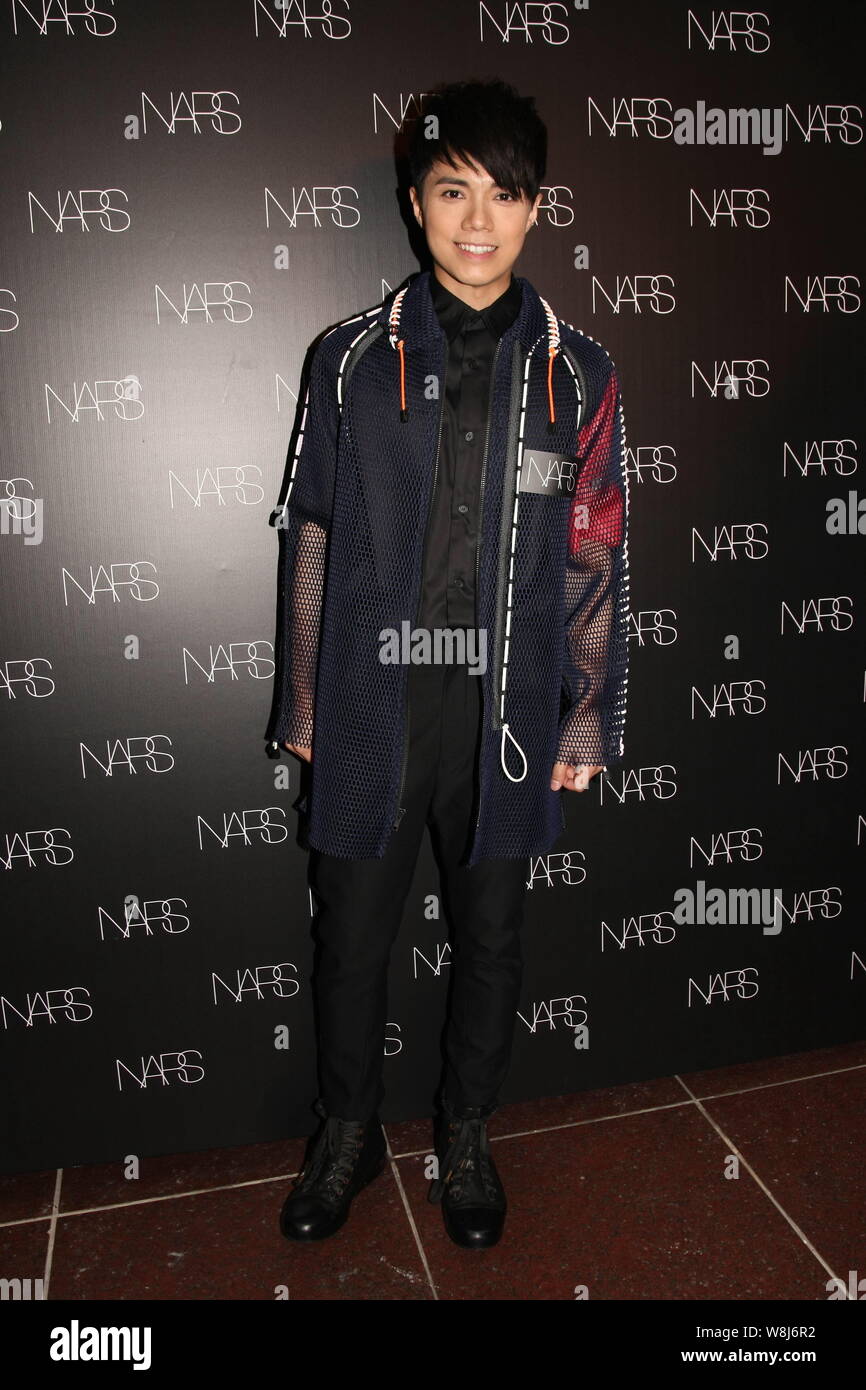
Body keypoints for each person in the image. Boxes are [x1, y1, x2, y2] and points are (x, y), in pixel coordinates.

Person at [263, 78, 630, 1249]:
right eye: (451, 189)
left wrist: (583, 720)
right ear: (415, 203)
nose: (478, 220)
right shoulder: (348, 360)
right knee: (350, 937)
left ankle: (464, 1131)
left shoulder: (580, 373)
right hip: (374, 696)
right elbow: (313, 534)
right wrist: (308, 700)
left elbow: (596, 551)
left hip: (506, 704)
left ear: (536, 210)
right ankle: (348, 1134)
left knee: (493, 937)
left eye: (503, 194)